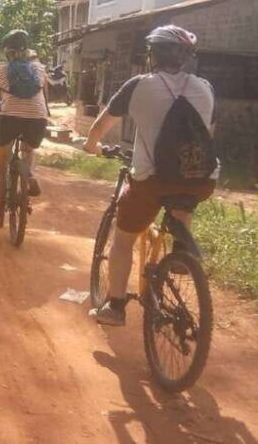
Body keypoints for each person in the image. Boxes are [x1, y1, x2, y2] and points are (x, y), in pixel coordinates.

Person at [83, 25, 217, 326]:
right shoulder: (206, 88)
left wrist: (92, 146)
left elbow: (99, 129)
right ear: (186, 57)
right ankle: (182, 254)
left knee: (123, 239)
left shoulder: (138, 85)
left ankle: (115, 306)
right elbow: (209, 133)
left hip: (153, 180)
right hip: (203, 178)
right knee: (183, 195)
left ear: (151, 54)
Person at [0, 29, 49, 219]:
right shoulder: (40, 69)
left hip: (10, 117)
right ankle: (29, 175)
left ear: (6, 51)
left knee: (0, 164)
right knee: (28, 150)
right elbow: (44, 97)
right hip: (38, 118)